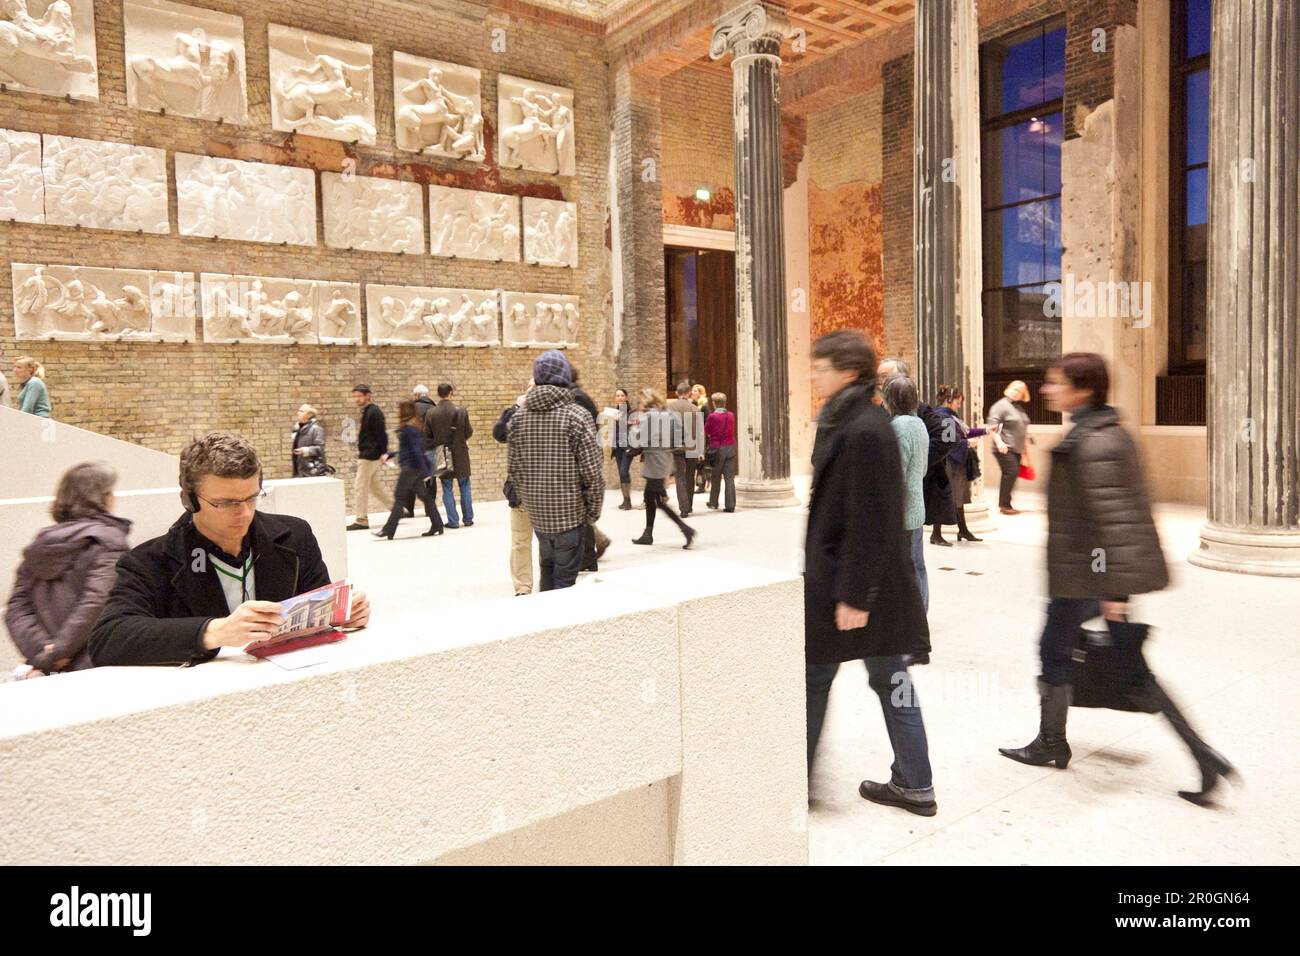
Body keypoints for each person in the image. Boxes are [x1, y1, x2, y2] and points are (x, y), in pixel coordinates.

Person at [999, 353, 1236, 805]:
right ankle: (1203, 757)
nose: (1048, 390)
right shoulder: (1101, 432)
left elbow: (1113, 520)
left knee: (1071, 654)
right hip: (1085, 576)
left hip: (1088, 580)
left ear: (1083, 389)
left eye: (1056, 383)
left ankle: (1055, 742)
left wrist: (1111, 592)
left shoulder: (1095, 441)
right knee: (1111, 663)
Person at [88, 432, 370, 666]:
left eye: (251, 498)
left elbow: (317, 610)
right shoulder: (148, 562)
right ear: (189, 500)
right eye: (226, 503)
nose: (244, 513)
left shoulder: (295, 536)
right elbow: (108, 639)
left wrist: (343, 613)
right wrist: (215, 631)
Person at [805, 331, 935, 817]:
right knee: (887, 678)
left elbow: (873, 518)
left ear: (844, 369)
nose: (814, 374)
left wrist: (855, 595)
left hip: (853, 590)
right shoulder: (855, 421)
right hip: (858, 586)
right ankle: (915, 782)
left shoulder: (865, 428)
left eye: (820, 366)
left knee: (817, 678)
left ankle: (797, 780)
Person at [6, 462, 130, 675]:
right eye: (110, 492)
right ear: (100, 497)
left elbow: (17, 606)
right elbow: (97, 602)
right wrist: (58, 652)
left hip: (49, 670)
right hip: (96, 667)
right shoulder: (109, 542)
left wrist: (43, 652)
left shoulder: (40, 545)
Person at [506, 351, 604, 591]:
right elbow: (592, 472)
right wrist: (591, 513)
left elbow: (515, 471)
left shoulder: (519, 418)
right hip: (570, 515)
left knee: (547, 570)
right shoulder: (576, 415)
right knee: (565, 583)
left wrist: (531, 505)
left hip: (538, 516)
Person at [882, 376, 930, 612]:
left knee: (902, 572)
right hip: (916, 509)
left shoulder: (897, 428)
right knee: (917, 566)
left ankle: (909, 621)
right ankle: (920, 613)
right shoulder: (918, 424)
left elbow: (894, 476)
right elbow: (921, 470)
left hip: (900, 514)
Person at [630, 388, 696, 550]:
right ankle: (648, 533)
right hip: (665, 458)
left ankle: (686, 529)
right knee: (651, 496)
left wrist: (634, 429)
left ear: (646, 401)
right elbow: (679, 436)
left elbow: (637, 440)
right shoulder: (670, 414)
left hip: (654, 461)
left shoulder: (647, 417)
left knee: (657, 501)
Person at [931, 385, 994, 543]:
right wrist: (967, 444)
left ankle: (963, 530)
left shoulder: (950, 416)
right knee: (947, 496)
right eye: (958, 402)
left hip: (953, 462)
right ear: (949, 400)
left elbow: (963, 433)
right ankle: (937, 534)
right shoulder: (944, 416)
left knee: (957, 496)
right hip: (949, 463)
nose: (959, 405)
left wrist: (985, 431)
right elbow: (948, 442)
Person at [375, 400, 443, 540]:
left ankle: (389, 529)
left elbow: (417, 451)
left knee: (399, 498)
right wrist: (390, 454)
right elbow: (406, 450)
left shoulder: (409, 429)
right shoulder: (412, 427)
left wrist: (426, 473)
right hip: (414, 468)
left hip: (410, 469)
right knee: (425, 496)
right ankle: (437, 524)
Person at [568, 368, 611, 571]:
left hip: (583, 458)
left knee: (581, 509)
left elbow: (586, 430)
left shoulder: (576, 398)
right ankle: (591, 549)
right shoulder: (578, 395)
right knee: (580, 509)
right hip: (586, 456)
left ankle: (588, 556)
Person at [493, 385, 533, 596]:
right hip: (521, 491)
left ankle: (553, 584)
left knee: (549, 543)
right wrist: (516, 407)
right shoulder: (517, 414)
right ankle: (523, 586)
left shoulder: (557, 413)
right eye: (530, 387)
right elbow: (499, 433)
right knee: (520, 541)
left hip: (548, 492)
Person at [424, 383, 474, 528]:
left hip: (442, 455)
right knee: (464, 485)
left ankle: (453, 521)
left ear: (439, 394)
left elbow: (427, 436)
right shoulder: (461, 412)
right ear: (451, 393)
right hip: (460, 454)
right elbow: (468, 432)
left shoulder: (431, 413)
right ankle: (468, 519)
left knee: (447, 487)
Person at [346, 384, 392, 531]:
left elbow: (381, 433)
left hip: (369, 455)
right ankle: (398, 509)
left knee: (360, 486)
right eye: (355, 397)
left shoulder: (374, 412)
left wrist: (384, 452)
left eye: (359, 396)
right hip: (369, 454)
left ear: (367, 395)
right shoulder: (367, 411)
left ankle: (361, 519)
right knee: (375, 486)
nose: (357, 399)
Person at [987, 380, 1032, 515]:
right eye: (1013, 389)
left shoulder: (1018, 407)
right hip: (1004, 447)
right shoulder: (1001, 406)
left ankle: (1006, 504)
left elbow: (1022, 426)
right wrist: (999, 442)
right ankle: (1004, 505)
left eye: (1018, 391)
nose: (1015, 392)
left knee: (1012, 474)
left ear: (1023, 394)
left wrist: (1025, 445)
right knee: (1011, 472)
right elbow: (992, 427)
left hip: (1016, 448)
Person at [666, 381, 704, 517]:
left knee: (680, 477)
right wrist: (701, 451)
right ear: (688, 393)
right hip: (692, 447)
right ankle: (690, 505)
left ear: (677, 392)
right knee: (690, 476)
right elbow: (700, 432)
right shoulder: (695, 409)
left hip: (676, 447)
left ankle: (684, 508)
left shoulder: (670, 408)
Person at [704, 392, 737, 513]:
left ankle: (713, 502)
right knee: (729, 477)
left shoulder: (712, 416)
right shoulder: (731, 415)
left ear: (714, 403)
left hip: (717, 449)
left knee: (716, 476)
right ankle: (730, 505)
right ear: (725, 402)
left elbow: (706, 430)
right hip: (731, 446)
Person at [610, 387, 636, 510]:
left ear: (626, 397)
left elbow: (635, 424)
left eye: (622, 395)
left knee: (624, 471)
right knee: (621, 473)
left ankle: (628, 502)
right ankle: (626, 500)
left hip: (627, 447)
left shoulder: (631, 412)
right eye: (618, 395)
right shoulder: (615, 411)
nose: (620, 397)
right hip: (617, 447)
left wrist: (621, 420)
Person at [290, 404, 327, 477]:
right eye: (298, 411)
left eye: (302, 411)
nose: (298, 413)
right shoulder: (298, 429)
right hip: (299, 469)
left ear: (309, 415)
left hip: (311, 471)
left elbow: (320, 448)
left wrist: (306, 450)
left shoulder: (316, 429)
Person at [690, 384, 711, 494]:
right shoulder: (691, 404)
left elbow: (708, 421)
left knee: (701, 462)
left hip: (701, 436)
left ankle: (701, 485)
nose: (692, 392)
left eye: (695, 391)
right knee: (696, 461)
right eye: (692, 390)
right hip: (693, 435)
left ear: (700, 393)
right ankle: (701, 482)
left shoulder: (704, 406)